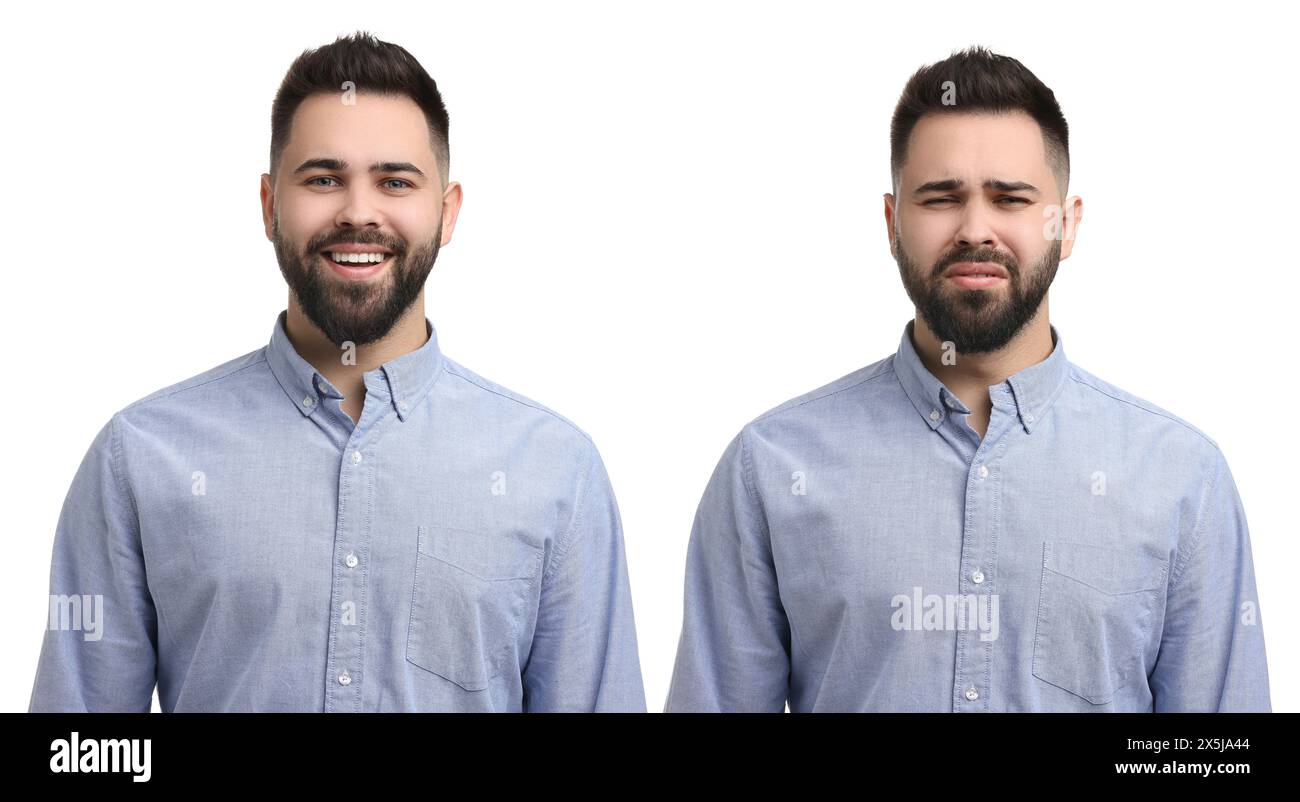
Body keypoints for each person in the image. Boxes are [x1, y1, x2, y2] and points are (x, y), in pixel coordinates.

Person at [29, 31, 645, 712]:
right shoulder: (139, 459)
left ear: (447, 213)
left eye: (395, 182)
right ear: (269, 206)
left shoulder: (557, 471)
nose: (358, 212)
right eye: (323, 179)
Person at [665, 46, 1269, 712]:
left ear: (1065, 226)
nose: (975, 229)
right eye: (942, 198)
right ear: (894, 224)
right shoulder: (772, 469)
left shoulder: (1181, 480)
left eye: (1010, 198)